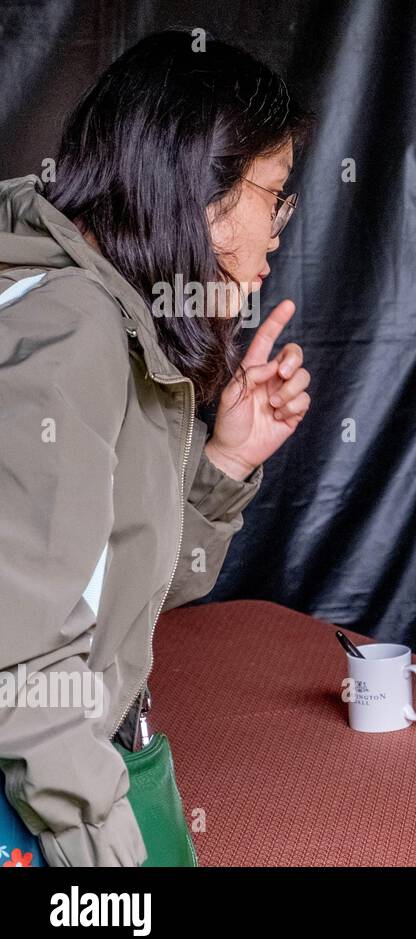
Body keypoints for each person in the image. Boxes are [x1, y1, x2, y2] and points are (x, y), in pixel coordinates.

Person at [0, 30, 313, 866]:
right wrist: (108, 863)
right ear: (204, 194)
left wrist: (226, 466)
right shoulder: (69, 331)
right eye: (273, 194)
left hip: (97, 770)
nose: (279, 230)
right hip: (46, 806)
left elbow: (99, 597)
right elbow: (20, 666)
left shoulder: (102, 317)